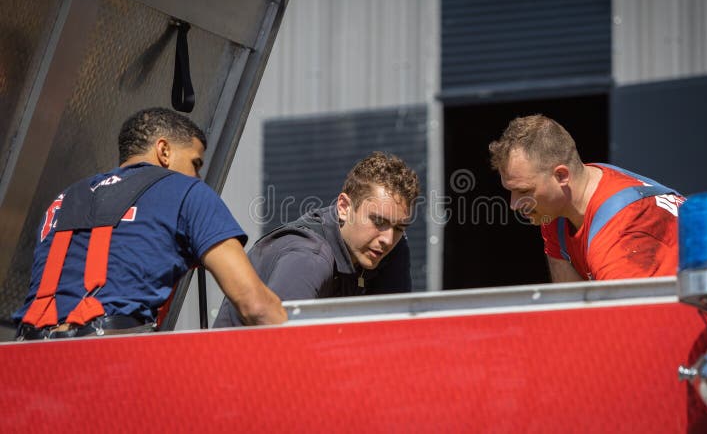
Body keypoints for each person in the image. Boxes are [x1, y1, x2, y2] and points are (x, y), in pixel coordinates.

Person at [13, 107, 286, 339]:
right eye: (195, 163)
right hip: (107, 358)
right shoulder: (186, 191)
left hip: (27, 357)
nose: (198, 176)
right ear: (164, 151)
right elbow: (256, 305)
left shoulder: (64, 198)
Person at [214, 151, 419, 328]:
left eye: (399, 227)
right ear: (344, 208)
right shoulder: (309, 258)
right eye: (378, 221)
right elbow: (280, 346)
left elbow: (394, 336)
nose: (388, 239)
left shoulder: (391, 248)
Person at [489, 114, 684, 282]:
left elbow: (628, 322)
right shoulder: (556, 211)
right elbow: (569, 310)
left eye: (524, 191)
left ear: (562, 176)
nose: (514, 205)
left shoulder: (621, 230)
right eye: (510, 191)